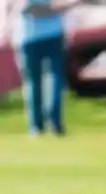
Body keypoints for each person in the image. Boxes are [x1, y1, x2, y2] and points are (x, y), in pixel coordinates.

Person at [11, 0, 76, 136]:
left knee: (54, 80)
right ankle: (37, 125)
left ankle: (53, 122)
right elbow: (30, 9)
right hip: (30, 36)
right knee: (34, 83)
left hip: (52, 34)